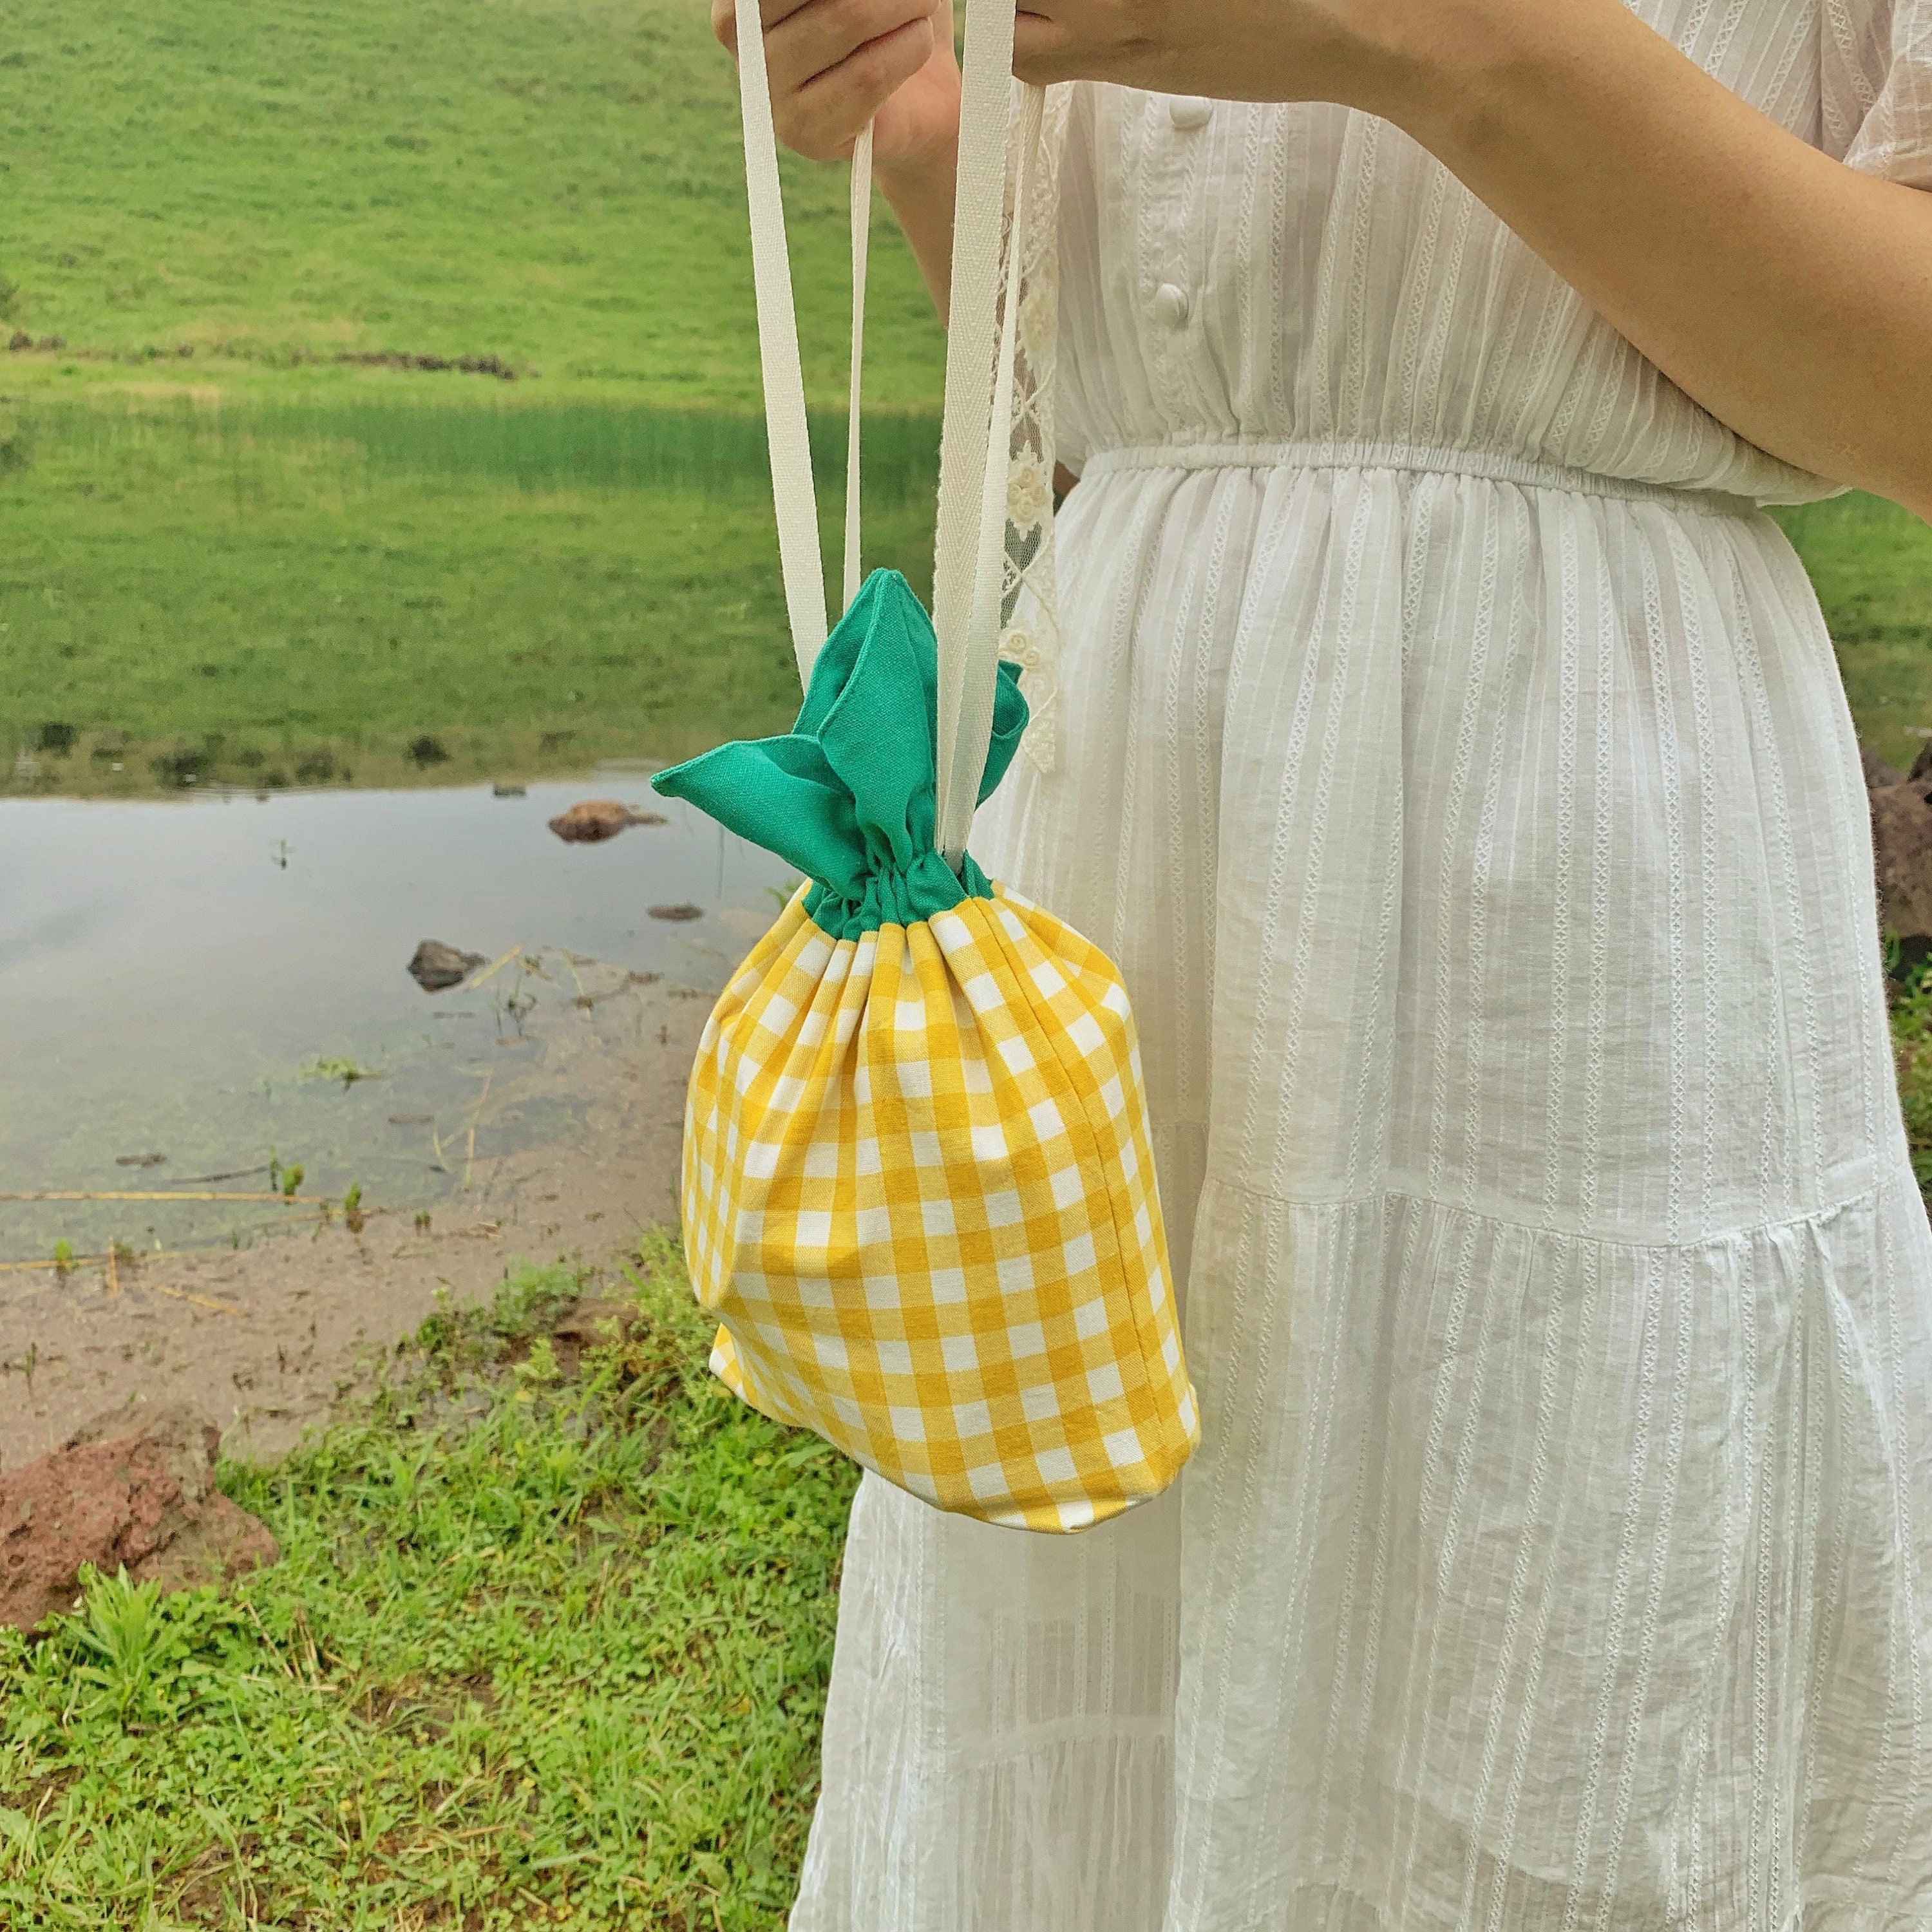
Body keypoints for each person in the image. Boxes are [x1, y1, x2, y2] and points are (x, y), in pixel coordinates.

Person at [714, 0, 1932, 1923]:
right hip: (1132, 796)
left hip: (1570, 874)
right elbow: (1115, 404)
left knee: (1552, 1688)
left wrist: (1424, 39)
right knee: (1104, 1723)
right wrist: (929, 120)